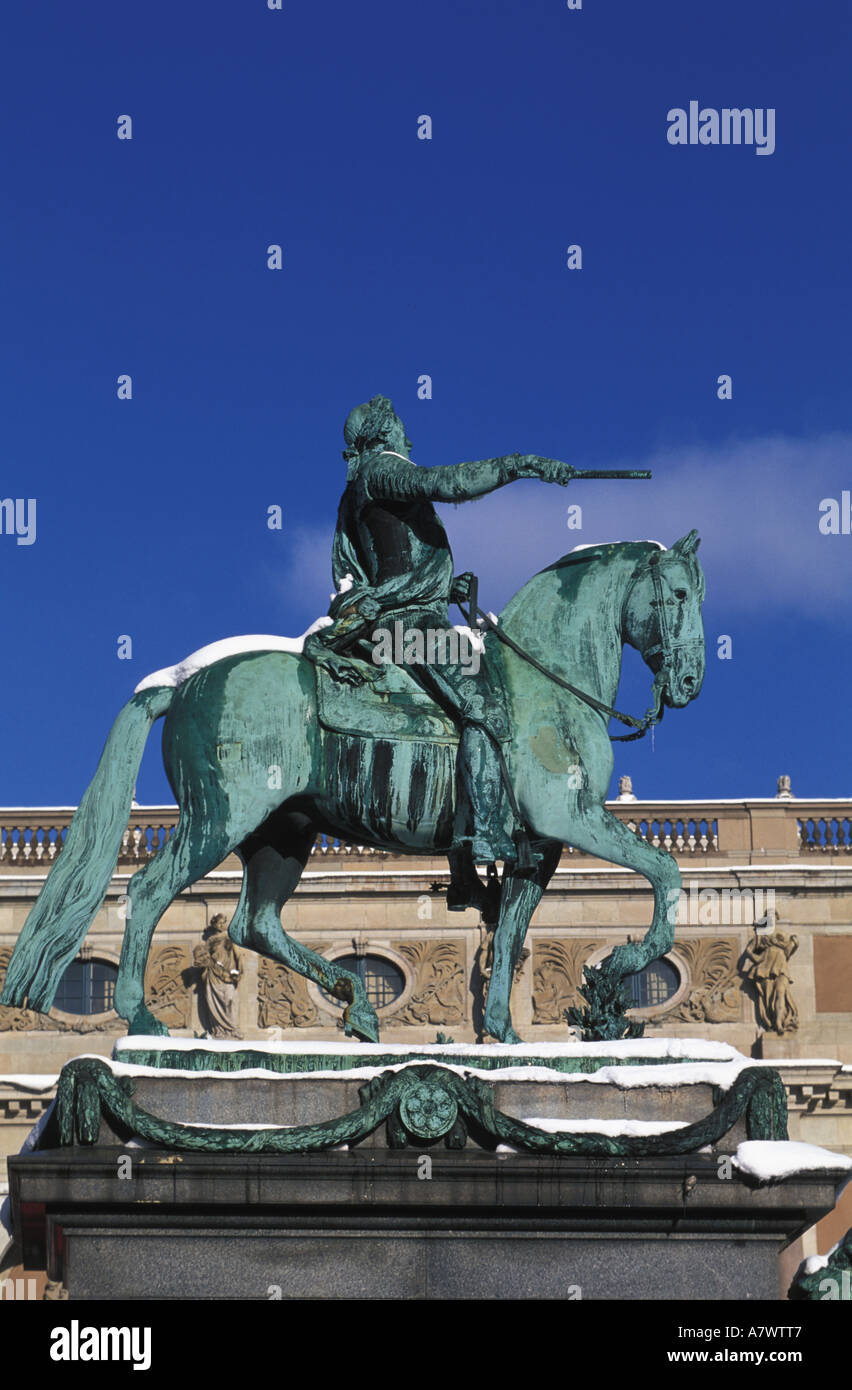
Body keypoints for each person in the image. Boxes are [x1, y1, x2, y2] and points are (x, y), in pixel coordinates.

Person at [304, 394, 575, 874]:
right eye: (401, 427)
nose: (409, 436)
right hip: (408, 626)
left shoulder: (363, 485)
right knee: (486, 707)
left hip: (408, 615)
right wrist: (520, 465)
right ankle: (484, 833)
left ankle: (464, 868)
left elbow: (393, 564)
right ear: (384, 433)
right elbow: (444, 482)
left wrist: (443, 586)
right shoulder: (382, 469)